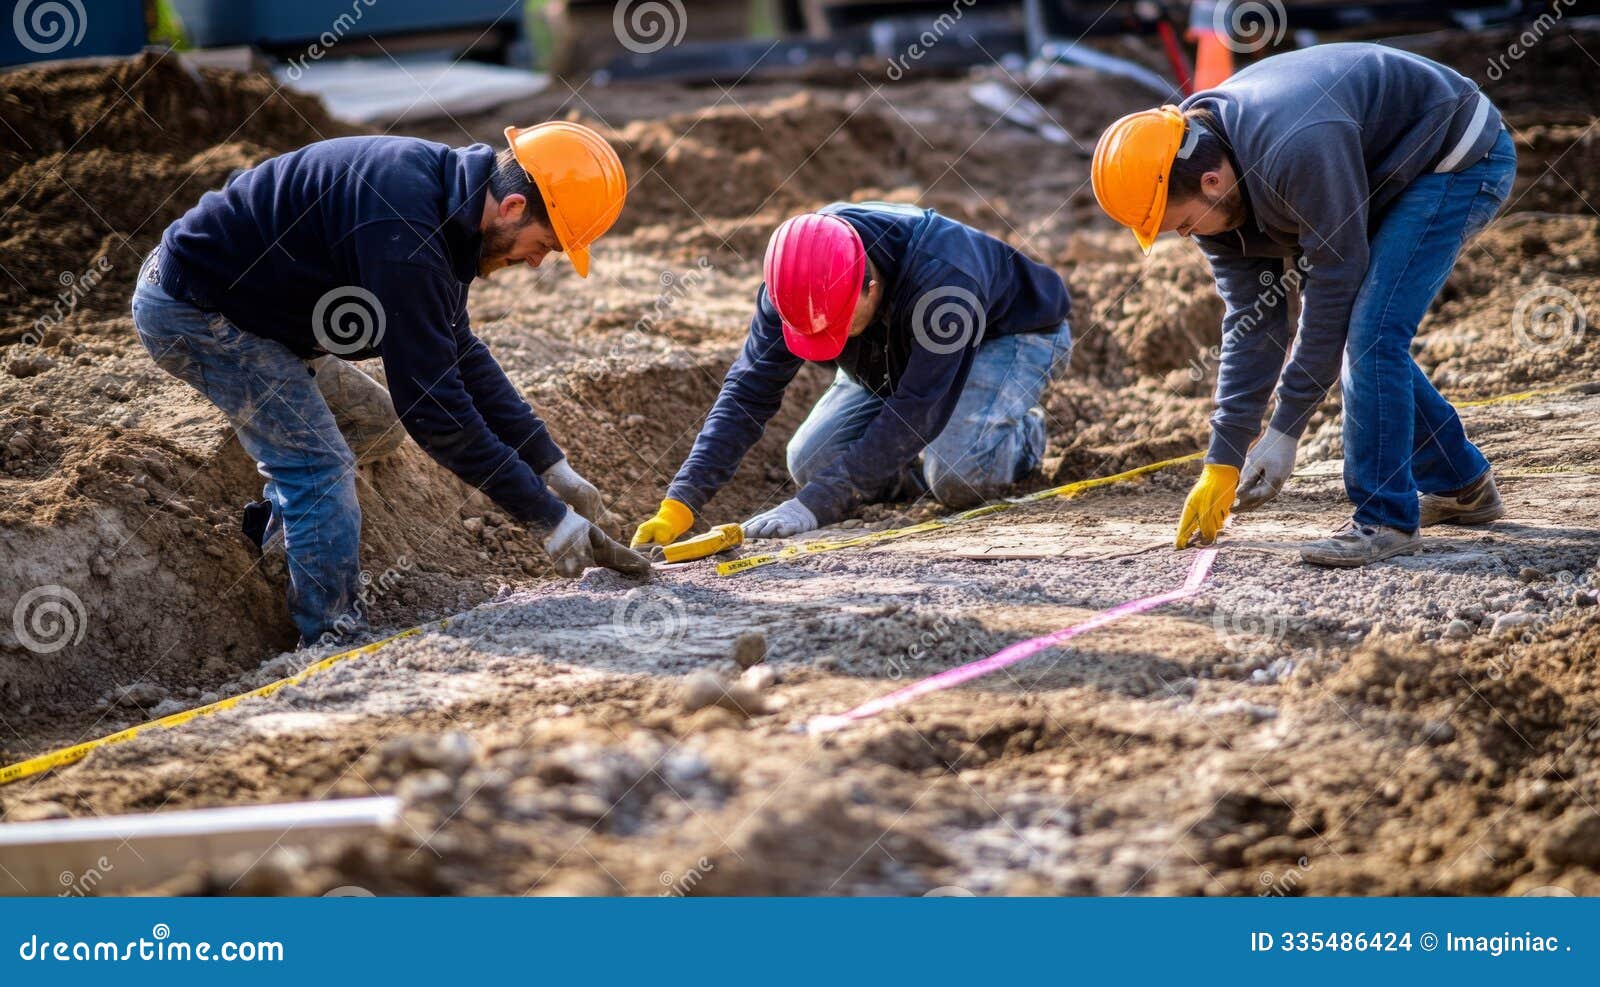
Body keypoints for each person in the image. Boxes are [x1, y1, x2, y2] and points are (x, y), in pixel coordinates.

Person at [131, 124, 649, 646]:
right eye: (545, 245)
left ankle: (282, 533)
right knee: (318, 464)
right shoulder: (407, 228)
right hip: (197, 312)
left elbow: (457, 348)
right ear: (513, 207)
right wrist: (549, 520)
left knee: (373, 423)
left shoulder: (453, 204)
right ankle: (330, 635)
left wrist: (550, 465)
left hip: (260, 312)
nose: (537, 261)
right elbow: (434, 411)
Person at [1091, 42, 1514, 566]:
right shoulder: (1214, 196)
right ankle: (1460, 485)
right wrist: (1222, 461)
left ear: (1211, 181)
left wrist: (1286, 429)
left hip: (1453, 157)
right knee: (1365, 333)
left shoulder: (1295, 148)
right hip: (1374, 172)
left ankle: (1385, 520)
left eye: (1182, 224)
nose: (1184, 237)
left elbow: (1334, 285)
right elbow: (1253, 322)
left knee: (1369, 333)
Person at [630, 202, 1072, 550]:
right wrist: (680, 503)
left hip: (1008, 336)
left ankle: (1018, 433)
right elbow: (748, 390)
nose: (827, 340)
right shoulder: (794, 282)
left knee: (959, 475)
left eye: (837, 327)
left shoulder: (945, 288)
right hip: (895, 352)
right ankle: (932, 456)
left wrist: (819, 503)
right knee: (810, 463)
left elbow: (918, 405)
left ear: (871, 287)